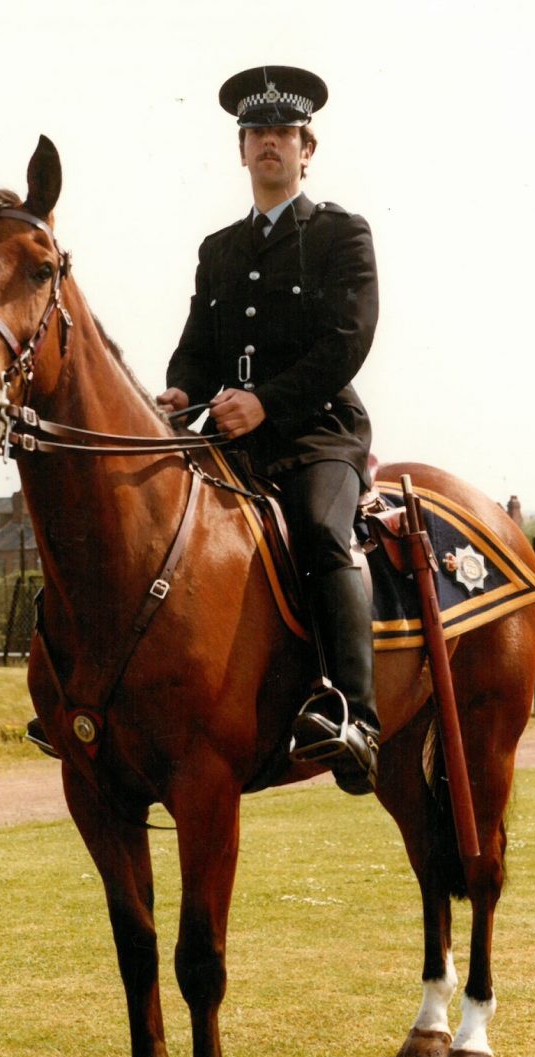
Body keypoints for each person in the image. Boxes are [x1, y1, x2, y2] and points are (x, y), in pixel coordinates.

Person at [158, 65, 381, 794]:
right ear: (242, 151)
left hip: (317, 434)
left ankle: (355, 718)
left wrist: (265, 403)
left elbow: (346, 341)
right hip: (231, 438)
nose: (269, 143)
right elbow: (198, 346)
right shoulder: (218, 249)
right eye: (256, 133)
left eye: (284, 132)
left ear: (306, 150)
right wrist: (181, 390)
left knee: (319, 530)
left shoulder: (341, 233)